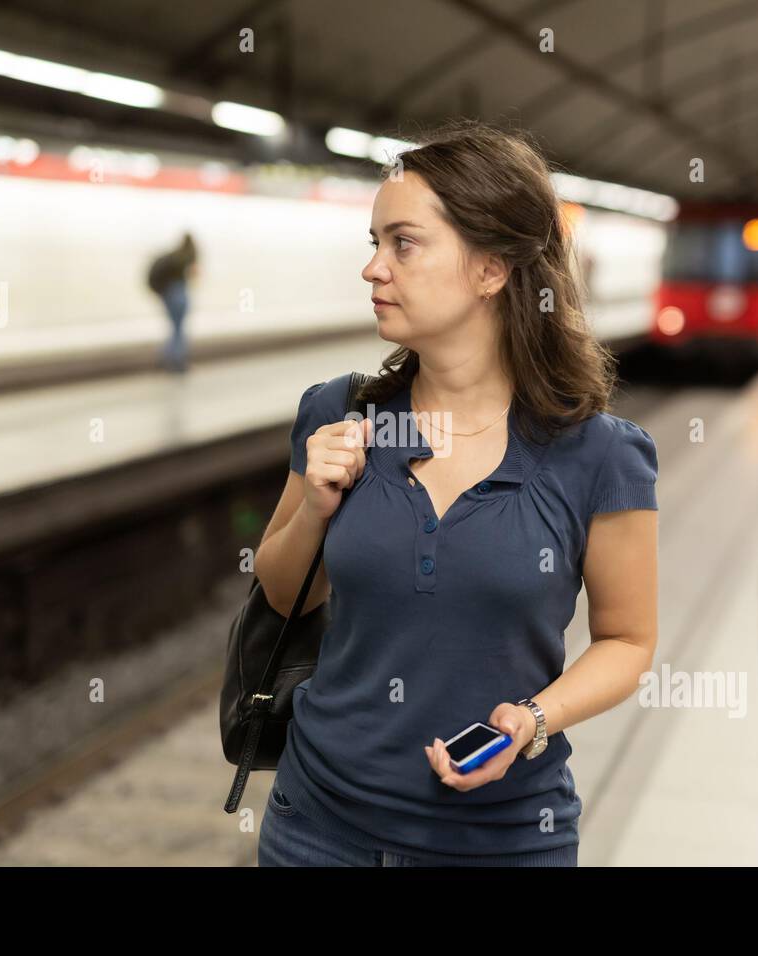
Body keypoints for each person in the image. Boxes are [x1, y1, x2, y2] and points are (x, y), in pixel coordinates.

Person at [252, 120, 659, 867]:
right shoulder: (341, 416)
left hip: (502, 841)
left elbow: (628, 641)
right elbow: (283, 597)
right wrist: (314, 505)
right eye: (373, 243)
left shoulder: (598, 455)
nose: (374, 269)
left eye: (403, 243)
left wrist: (534, 719)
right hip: (316, 829)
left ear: (491, 270)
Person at [147, 232, 197, 371]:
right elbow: (193, 274)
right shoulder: (188, 255)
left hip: (167, 293)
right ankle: (177, 361)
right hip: (177, 293)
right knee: (178, 329)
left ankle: (166, 358)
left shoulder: (173, 255)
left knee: (174, 328)